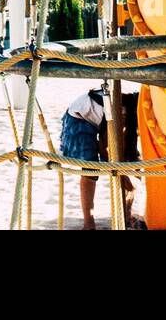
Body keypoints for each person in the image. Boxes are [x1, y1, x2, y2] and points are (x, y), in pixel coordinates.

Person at [60, 86, 109, 230]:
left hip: (97, 114)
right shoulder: (125, 113)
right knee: (91, 169)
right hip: (79, 117)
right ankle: (88, 222)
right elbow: (104, 146)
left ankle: (125, 212)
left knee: (118, 164)